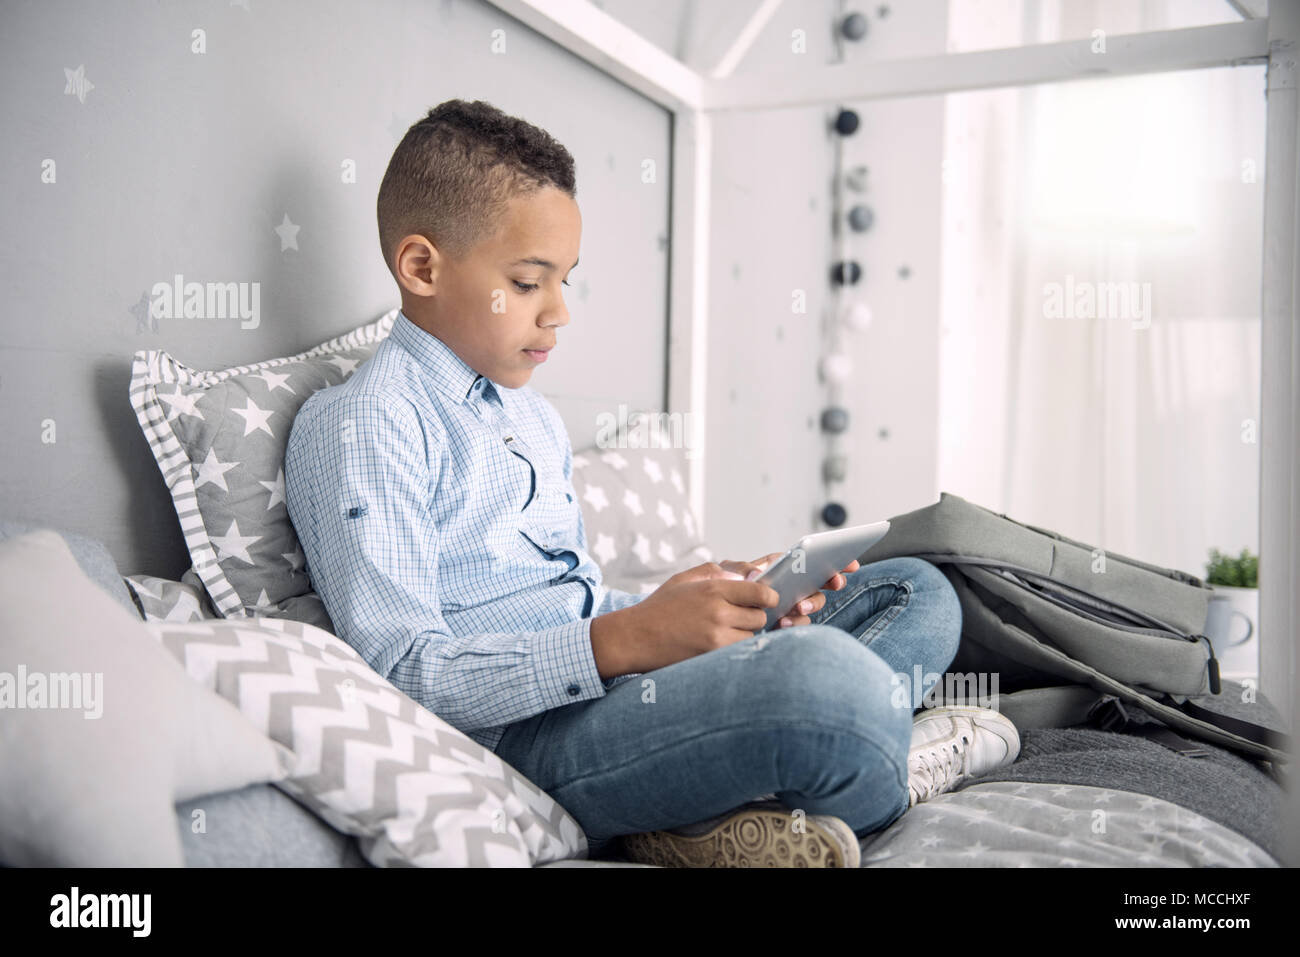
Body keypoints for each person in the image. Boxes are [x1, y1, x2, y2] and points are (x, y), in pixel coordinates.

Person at [284, 99, 1018, 868]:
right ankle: (891, 765)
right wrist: (624, 639)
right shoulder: (366, 422)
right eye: (530, 282)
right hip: (521, 743)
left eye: (564, 280)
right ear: (422, 267)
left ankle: (713, 808)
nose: (560, 312)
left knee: (915, 592)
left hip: (614, 685)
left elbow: (578, 603)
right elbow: (401, 674)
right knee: (828, 688)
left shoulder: (527, 417)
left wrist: (687, 604)